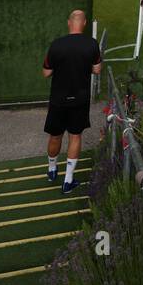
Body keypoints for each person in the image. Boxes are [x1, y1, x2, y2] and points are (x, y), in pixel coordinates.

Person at [41, 10, 102, 193]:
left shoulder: (57, 45)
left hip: (58, 99)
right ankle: (68, 181)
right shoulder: (92, 44)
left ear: (69, 23)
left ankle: (52, 170)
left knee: (55, 135)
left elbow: (46, 72)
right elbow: (97, 70)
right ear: (84, 24)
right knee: (75, 136)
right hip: (80, 99)